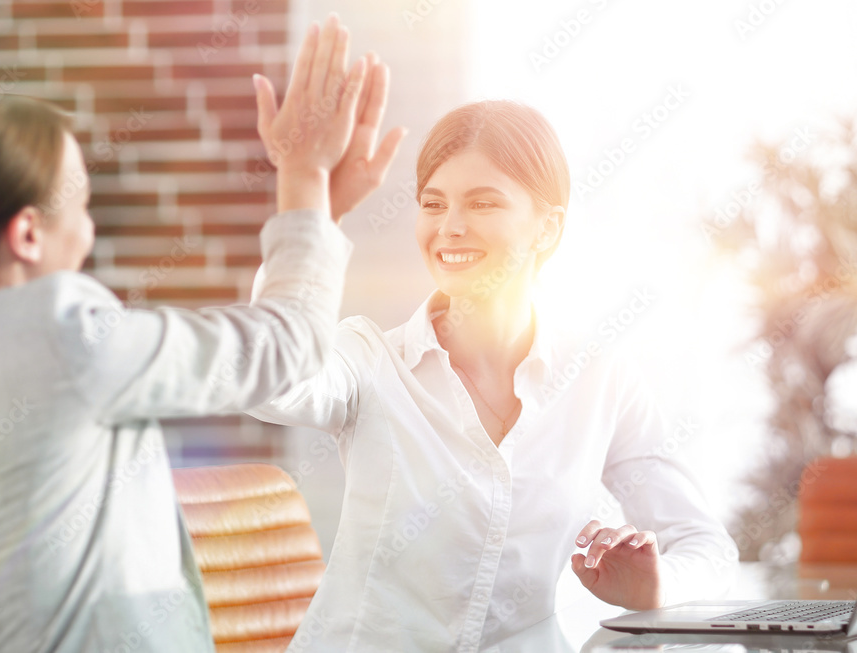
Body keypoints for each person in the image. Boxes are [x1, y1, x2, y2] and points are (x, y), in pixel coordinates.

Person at [0, 15, 402, 652]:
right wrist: (302, 178)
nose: (88, 233)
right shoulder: (59, 333)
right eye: (81, 206)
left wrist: (320, 213)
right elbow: (286, 348)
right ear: (27, 234)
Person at [246, 100, 740, 651]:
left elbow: (708, 549)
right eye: (433, 204)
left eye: (482, 203)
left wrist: (658, 586)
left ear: (547, 228)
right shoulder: (369, 362)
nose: (450, 227)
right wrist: (308, 211)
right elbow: (265, 379)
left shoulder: (600, 380)